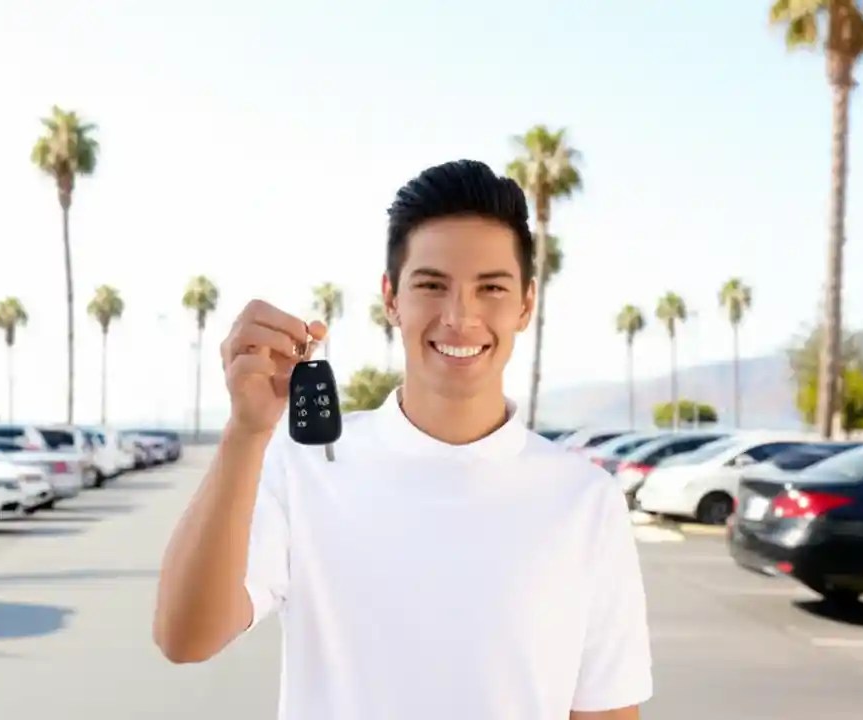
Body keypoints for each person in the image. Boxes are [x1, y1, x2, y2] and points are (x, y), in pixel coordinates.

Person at [153, 159, 653, 719]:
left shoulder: (585, 499)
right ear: (391, 298)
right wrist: (246, 432)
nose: (460, 317)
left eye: (490, 288)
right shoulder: (305, 464)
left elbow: (606, 711)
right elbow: (184, 636)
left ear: (526, 304)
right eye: (431, 285)